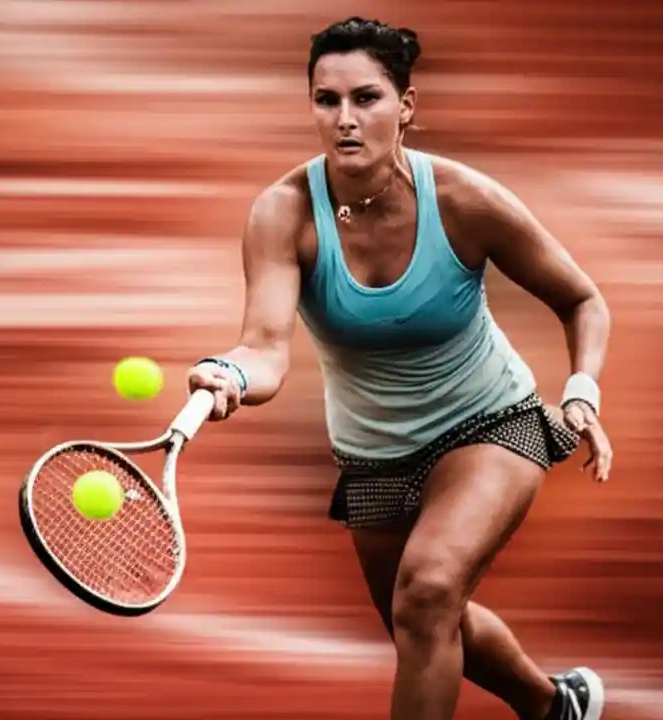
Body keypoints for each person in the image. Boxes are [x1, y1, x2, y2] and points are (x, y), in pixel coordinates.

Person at [185, 16, 613, 720]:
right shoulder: (283, 214)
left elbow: (583, 299)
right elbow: (263, 347)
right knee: (419, 617)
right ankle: (553, 706)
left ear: (406, 106)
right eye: (327, 101)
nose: (345, 119)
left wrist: (582, 394)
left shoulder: (465, 201)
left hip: (492, 423)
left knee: (427, 591)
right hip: (375, 454)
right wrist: (227, 376)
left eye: (367, 98)